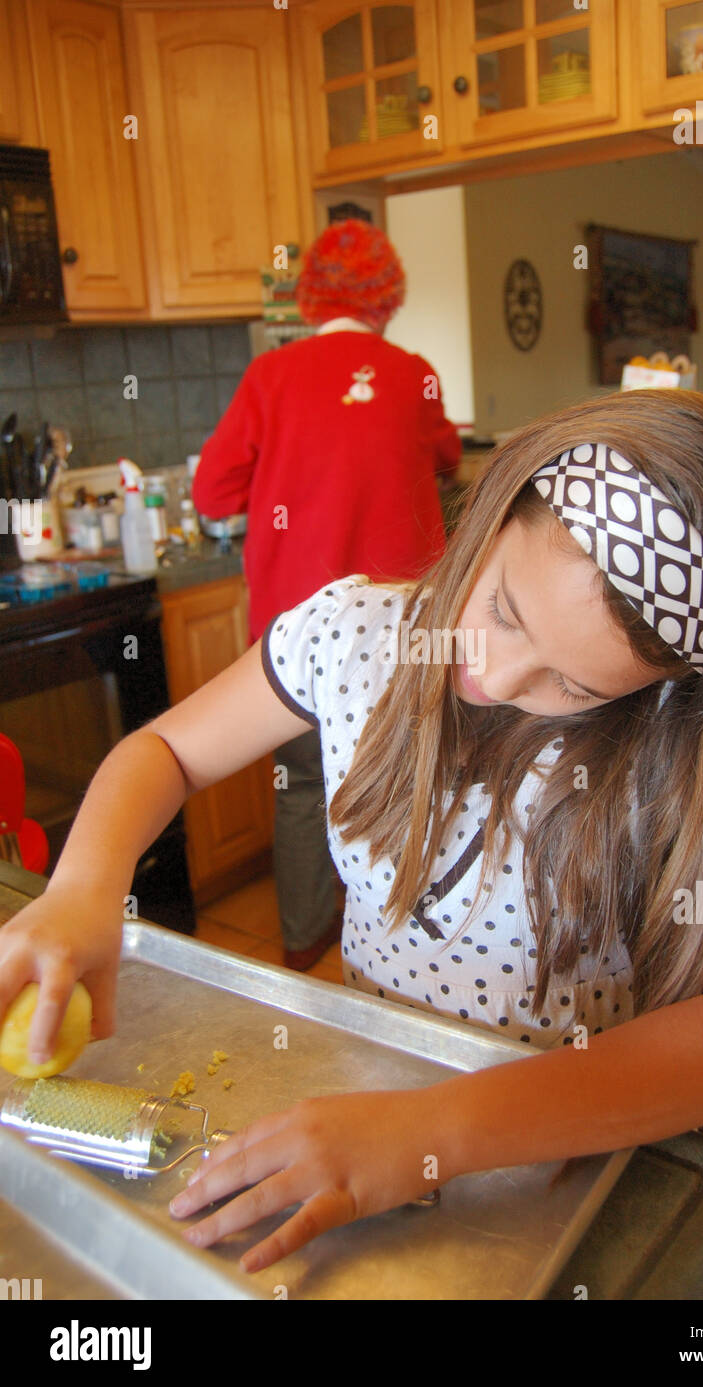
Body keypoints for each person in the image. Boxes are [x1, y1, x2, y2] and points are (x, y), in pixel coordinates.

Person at [0, 390, 703, 1300]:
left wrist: (439, 1130)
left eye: (575, 685)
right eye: (506, 610)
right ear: (499, 505)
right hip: (383, 1116)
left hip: (592, 1169)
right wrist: (83, 885)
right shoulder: (354, 635)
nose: (499, 674)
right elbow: (164, 751)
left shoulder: (682, 742)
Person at [192, 219, 461, 969]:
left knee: (303, 784)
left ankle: (306, 952)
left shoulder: (270, 377)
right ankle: (413, 960)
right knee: (412, 775)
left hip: (295, 632)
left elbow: (212, 493)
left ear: (311, 294)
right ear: (388, 295)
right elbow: (445, 452)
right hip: (402, 624)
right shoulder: (412, 373)